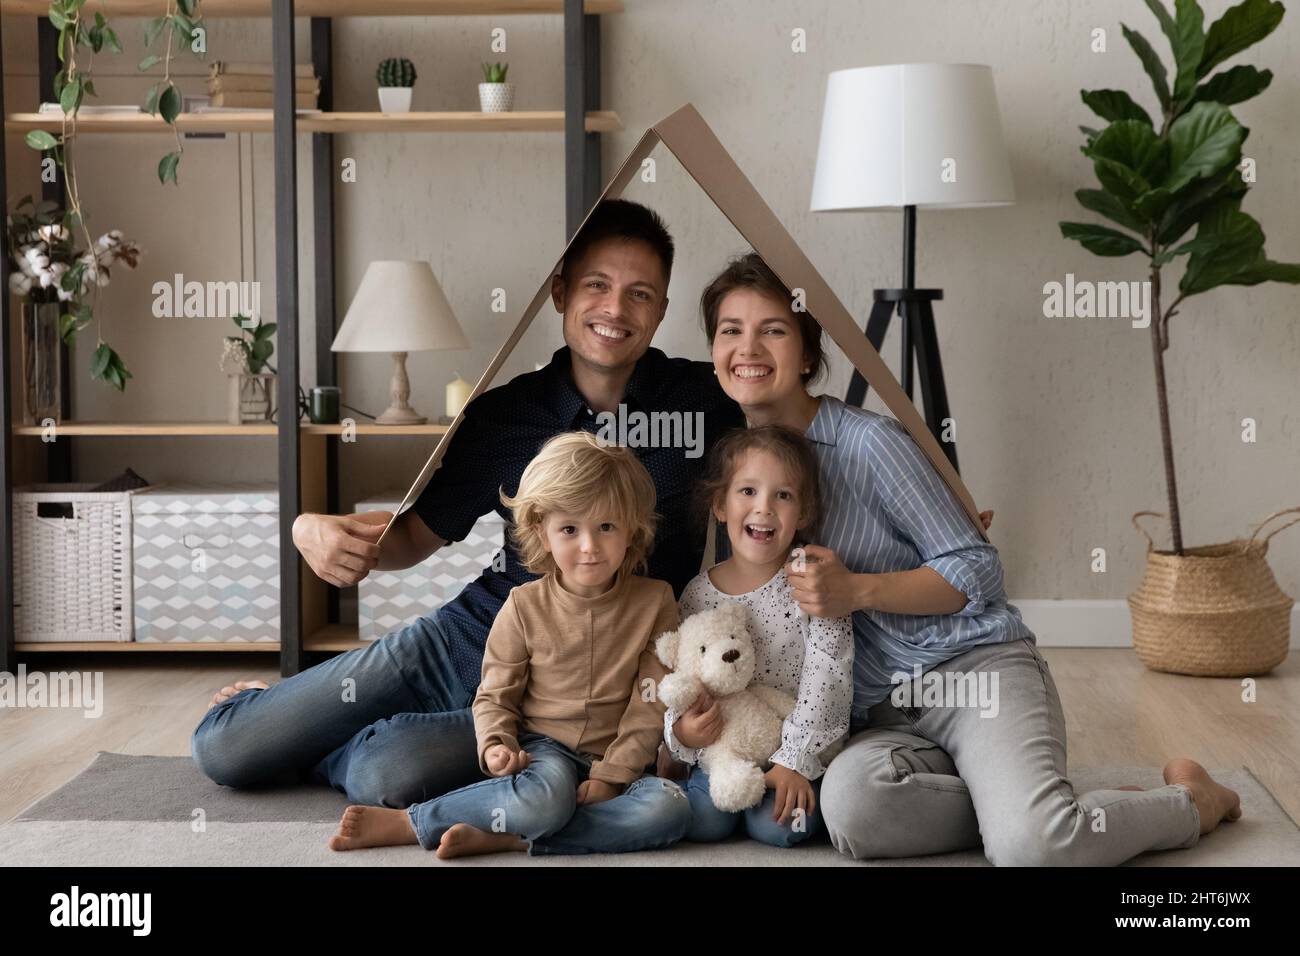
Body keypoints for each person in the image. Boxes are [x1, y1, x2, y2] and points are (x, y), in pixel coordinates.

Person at [677, 251, 1241, 865]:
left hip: (973, 673)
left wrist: (858, 591)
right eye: (731, 330)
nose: (748, 347)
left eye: (773, 329)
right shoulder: (736, 468)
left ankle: (1187, 800)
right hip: (878, 716)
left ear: (809, 353)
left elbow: (979, 570)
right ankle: (1034, 803)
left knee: (1034, 850)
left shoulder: (870, 444)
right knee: (852, 813)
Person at [191, 199, 745, 807]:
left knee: (385, 774)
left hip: (582, 691)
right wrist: (308, 529)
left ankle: (327, 736)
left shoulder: (706, 403)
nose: (615, 309)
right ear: (559, 292)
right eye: (597, 285)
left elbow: (779, 431)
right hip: (466, 639)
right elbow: (410, 538)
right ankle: (275, 712)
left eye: (640, 294)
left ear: (661, 311)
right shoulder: (504, 414)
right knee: (226, 749)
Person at [329, 432, 690, 857]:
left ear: (631, 528)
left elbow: (650, 703)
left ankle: (510, 836)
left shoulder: (657, 600)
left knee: (670, 810)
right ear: (542, 529)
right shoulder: (523, 605)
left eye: (606, 526)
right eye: (570, 529)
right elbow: (495, 695)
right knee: (543, 801)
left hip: (623, 762)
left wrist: (613, 776)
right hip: (544, 753)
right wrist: (497, 744)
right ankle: (416, 820)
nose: (590, 547)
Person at [665, 424, 852, 847]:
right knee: (702, 823)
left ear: (802, 513)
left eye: (782, 495)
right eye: (747, 491)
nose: (764, 508)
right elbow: (682, 675)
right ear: (720, 505)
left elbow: (830, 675)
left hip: (795, 746)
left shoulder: (811, 582)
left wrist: (795, 761)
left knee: (779, 828)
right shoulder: (698, 592)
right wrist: (680, 735)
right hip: (725, 752)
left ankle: (790, 790)